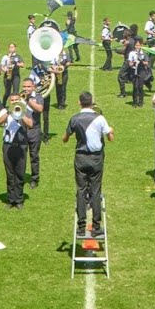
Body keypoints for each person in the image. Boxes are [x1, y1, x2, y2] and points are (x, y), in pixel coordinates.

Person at [64, 91, 114, 235]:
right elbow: (110, 138)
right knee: (95, 191)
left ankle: (81, 227)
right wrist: (111, 130)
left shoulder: (74, 119)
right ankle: (96, 227)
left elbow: (65, 138)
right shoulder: (100, 118)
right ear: (92, 102)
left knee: (81, 191)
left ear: (79, 102)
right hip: (96, 158)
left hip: (80, 157)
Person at [0, 95, 32, 209]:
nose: (14, 102)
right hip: (8, 145)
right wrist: (9, 112)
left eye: (16, 100)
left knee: (20, 173)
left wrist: (21, 114)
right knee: (10, 173)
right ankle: (10, 199)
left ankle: (18, 199)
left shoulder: (25, 110)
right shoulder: (5, 111)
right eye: (12, 100)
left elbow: (30, 124)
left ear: (19, 100)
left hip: (21, 146)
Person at [22, 78, 44, 188]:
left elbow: (39, 109)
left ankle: (35, 178)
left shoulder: (38, 97)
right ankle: (20, 177)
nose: (26, 89)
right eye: (24, 87)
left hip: (34, 130)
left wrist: (28, 100)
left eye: (28, 87)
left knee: (34, 156)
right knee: (21, 155)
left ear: (33, 87)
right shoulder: (19, 96)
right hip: (22, 130)